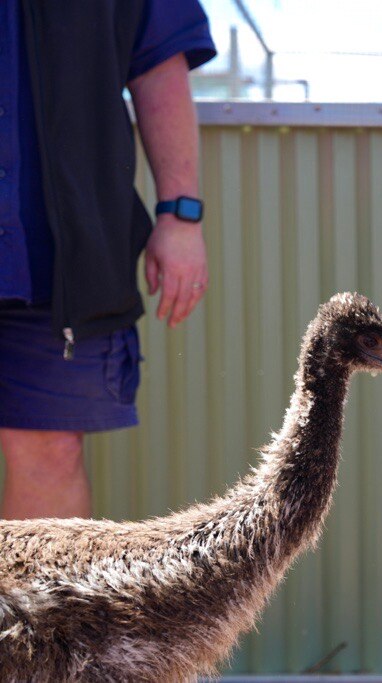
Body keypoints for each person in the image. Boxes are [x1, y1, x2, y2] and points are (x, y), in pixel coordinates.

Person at [0, 1, 216, 520]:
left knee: (50, 453)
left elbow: (159, 64)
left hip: (54, 258)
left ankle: (36, 606)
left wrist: (180, 214)